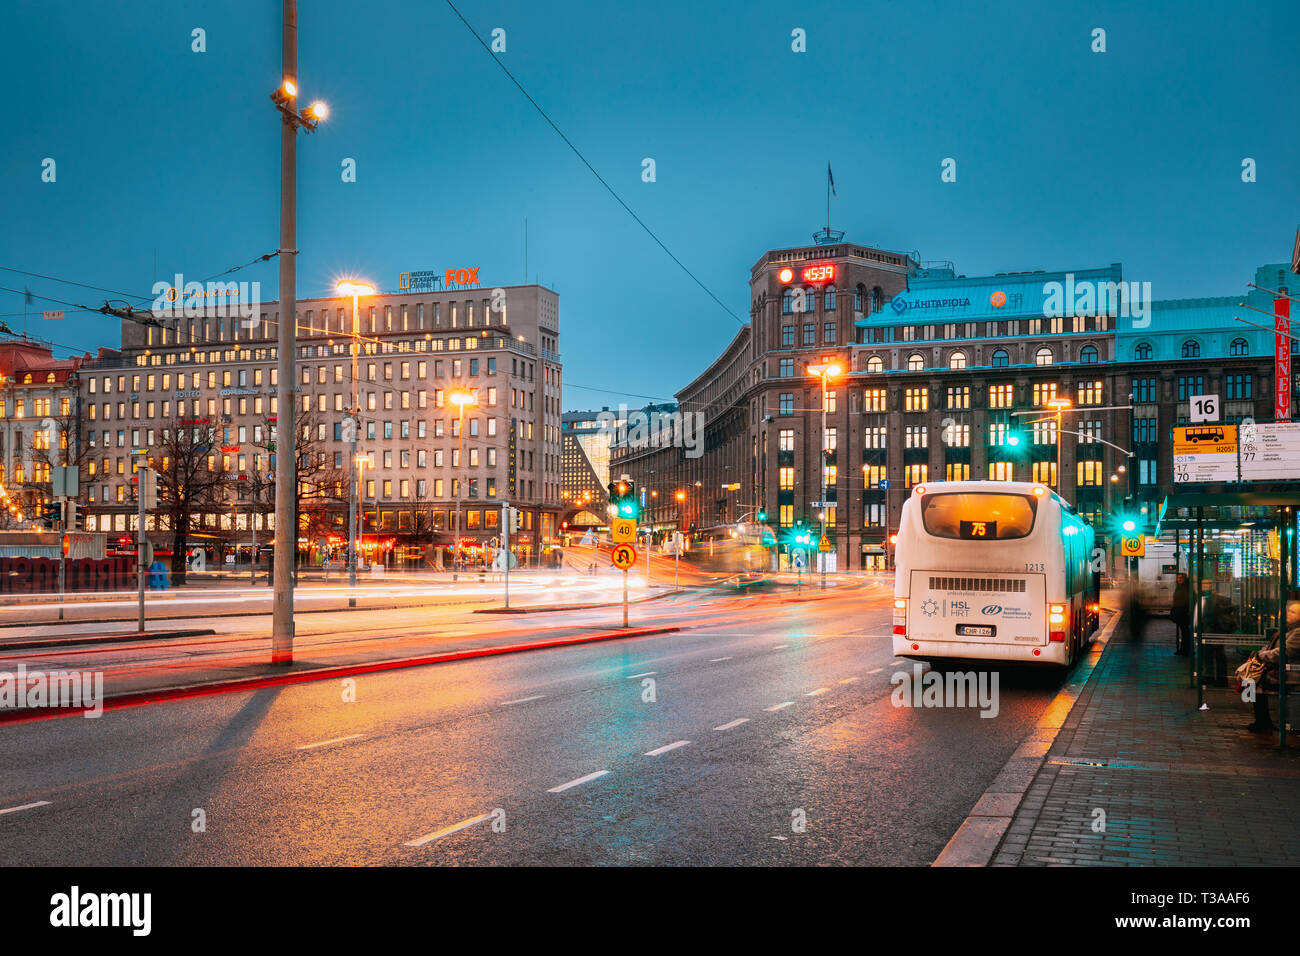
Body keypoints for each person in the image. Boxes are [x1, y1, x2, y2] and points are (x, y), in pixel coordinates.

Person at [1248, 601, 1300, 734]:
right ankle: (1263, 721)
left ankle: (1263, 722)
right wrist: (1260, 653)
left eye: (1293, 612)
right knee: (1253, 682)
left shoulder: (1298, 632)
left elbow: (1284, 652)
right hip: (1282, 669)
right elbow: (1271, 647)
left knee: (1256, 683)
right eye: (1288, 611)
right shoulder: (1288, 630)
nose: (1288, 614)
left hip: (1291, 673)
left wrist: (1261, 655)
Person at [1170, 572, 1191, 655]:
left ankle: (1186, 650)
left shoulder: (1186, 588)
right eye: (1178, 578)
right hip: (1179, 612)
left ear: (1184, 579)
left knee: (1185, 632)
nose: (1179, 579)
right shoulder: (1179, 587)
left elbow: (1187, 600)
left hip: (1184, 613)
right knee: (1184, 631)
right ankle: (1183, 649)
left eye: (1181, 578)